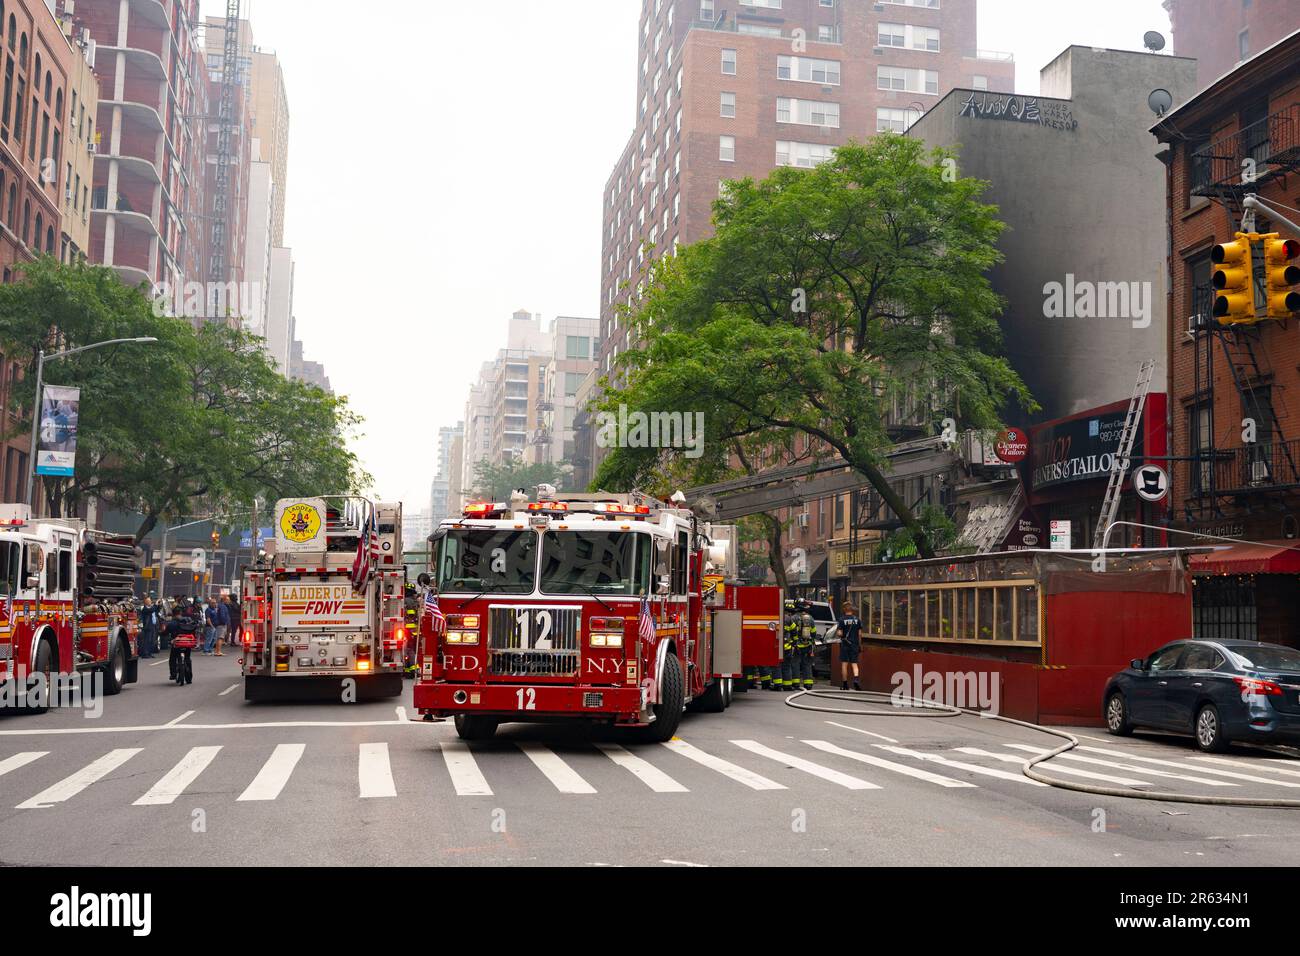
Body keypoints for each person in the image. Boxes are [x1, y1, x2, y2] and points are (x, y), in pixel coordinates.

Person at [165, 607, 197, 685]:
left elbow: (165, 633)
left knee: (172, 658)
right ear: (180, 613)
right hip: (187, 643)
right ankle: (189, 678)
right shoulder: (188, 620)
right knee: (187, 658)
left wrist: (160, 633)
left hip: (177, 644)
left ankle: (173, 674)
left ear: (173, 614)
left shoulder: (171, 623)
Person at [836, 600, 862, 691]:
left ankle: (845, 684)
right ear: (852, 609)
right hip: (854, 644)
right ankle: (856, 680)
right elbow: (859, 634)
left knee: (844, 664)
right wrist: (859, 645)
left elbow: (839, 633)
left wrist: (839, 634)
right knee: (854, 664)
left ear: (844, 609)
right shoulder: (857, 619)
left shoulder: (842, 620)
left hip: (845, 644)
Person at [793, 599, 817, 691]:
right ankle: (808, 684)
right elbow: (814, 632)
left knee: (795, 664)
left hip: (797, 646)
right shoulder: (810, 618)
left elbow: (792, 632)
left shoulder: (794, 618)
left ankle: (795, 683)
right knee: (807, 665)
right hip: (808, 645)